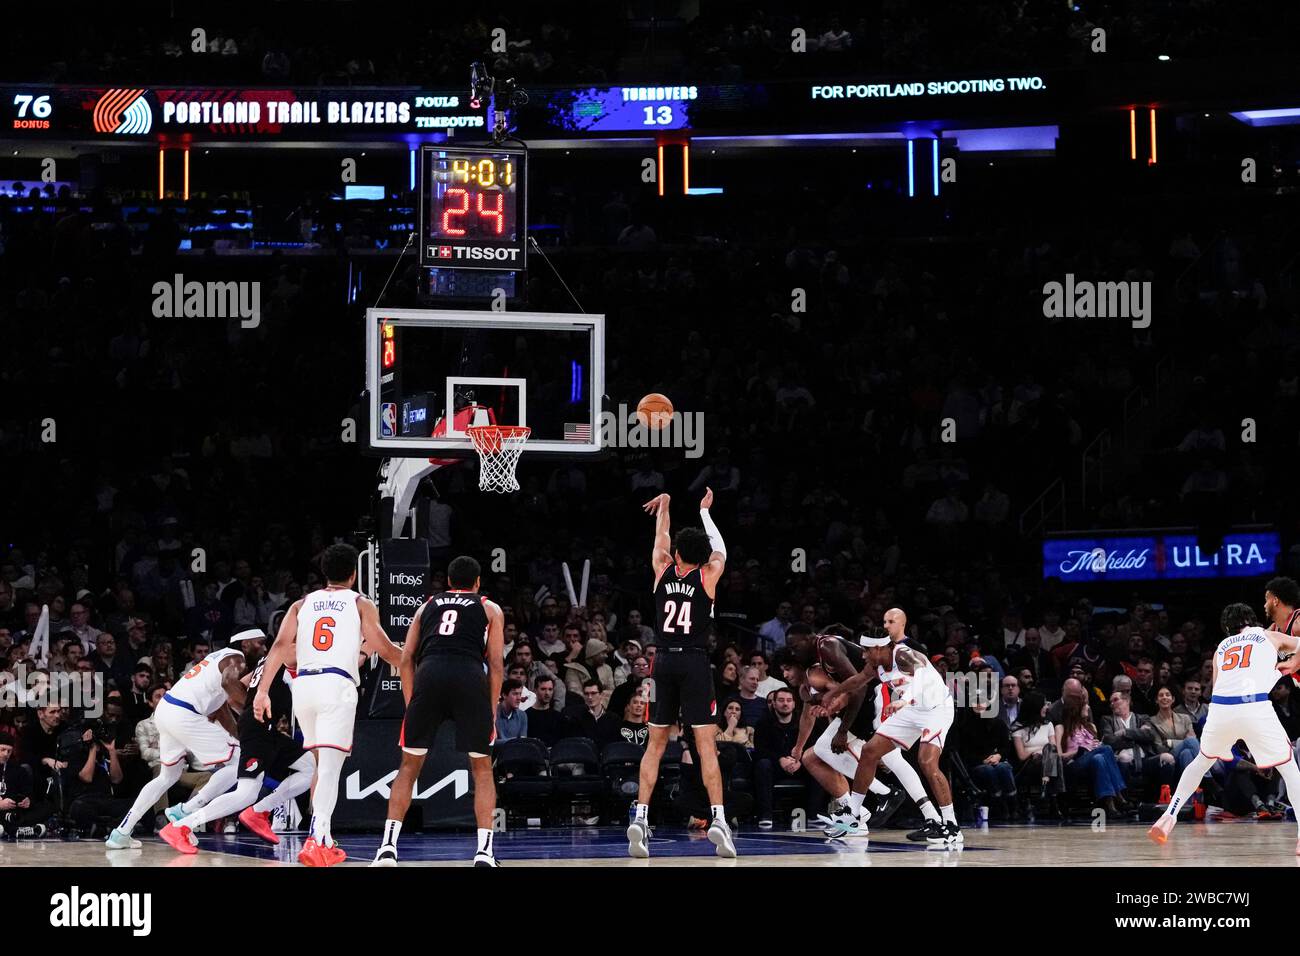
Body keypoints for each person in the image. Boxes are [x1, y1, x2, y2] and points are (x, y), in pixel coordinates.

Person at [255, 543, 402, 866]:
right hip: (337, 685)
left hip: (304, 687)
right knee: (331, 769)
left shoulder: (301, 604)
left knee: (322, 766)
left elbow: (280, 646)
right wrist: (412, 661)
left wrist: (262, 691)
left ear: (325, 573)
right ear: (353, 574)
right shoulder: (360, 602)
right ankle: (316, 838)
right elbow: (383, 647)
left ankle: (324, 835)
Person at [371, 555, 504, 868]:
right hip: (469, 677)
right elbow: (496, 664)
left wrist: (410, 701)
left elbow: (406, 658)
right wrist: (492, 709)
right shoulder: (489, 608)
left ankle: (387, 848)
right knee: (482, 769)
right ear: (478, 583)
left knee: (408, 766)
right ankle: (484, 852)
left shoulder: (426, 605)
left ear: (448, 582)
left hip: (429, 675)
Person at [626, 488, 737, 860]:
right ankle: (719, 819)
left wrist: (667, 505)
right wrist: (706, 513)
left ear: (676, 553)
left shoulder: (661, 567)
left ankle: (640, 816)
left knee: (655, 744)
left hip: (663, 663)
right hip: (693, 663)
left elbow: (660, 535)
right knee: (706, 745)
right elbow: (721, 548)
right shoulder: (708, 575)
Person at [1152, 603, 1300, 849]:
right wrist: (1290, 666)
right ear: (1251, 620)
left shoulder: (1222, 647)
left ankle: (1169, 814)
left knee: (1201, 761)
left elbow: (1219, 687)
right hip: (1254, 706)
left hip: (1220, 709)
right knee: (1289, 769)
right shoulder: (1267, 635)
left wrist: (1274, 672)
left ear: (1229, 627)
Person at [157, 629, 315, 854]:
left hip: (264, 726)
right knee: (246, 792)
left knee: (309, 767)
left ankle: (259, 811)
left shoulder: (264, 662)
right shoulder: (288, 650)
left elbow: (241, 687)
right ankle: (182, 826)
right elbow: (233, 687)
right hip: (258, 725)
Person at [104, 635, 248, 850]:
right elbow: (230, 689)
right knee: (239, 762)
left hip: (167, 709)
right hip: (185, 713)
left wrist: (238, 736)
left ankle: (121, 832)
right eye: (260, 642)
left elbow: (222, 710)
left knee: (166, 777)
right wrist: (253, 717)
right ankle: (186, 810)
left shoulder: (214, 662)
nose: (263, 647)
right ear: (245, 643)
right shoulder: (235, 659)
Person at [826, 631, 961, 845]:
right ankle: (853, 815)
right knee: (870, 751)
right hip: (912, 709)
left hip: (936, 709)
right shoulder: (875, 665)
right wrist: (831, 694)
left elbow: (923, 675)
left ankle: (951, 826)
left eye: (866, 651)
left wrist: (904, 700)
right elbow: (858, 680)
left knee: (927, 762)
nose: (863, 656)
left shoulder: (903, 654)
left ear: (879, 649)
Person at [1055, 688, 1130, 817]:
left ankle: (1110, 806)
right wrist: (1080, 750)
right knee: (1106, 749)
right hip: (1074, 764)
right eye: (1084, 705)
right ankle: (1119, 794)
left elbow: (1097, 751)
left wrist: (1094, 748)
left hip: (1092, 764)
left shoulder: (1091, 727)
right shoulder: (1060, 728)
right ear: (1076, 709)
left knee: (1099, 758)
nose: (1088, 707)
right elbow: (1060, 756)